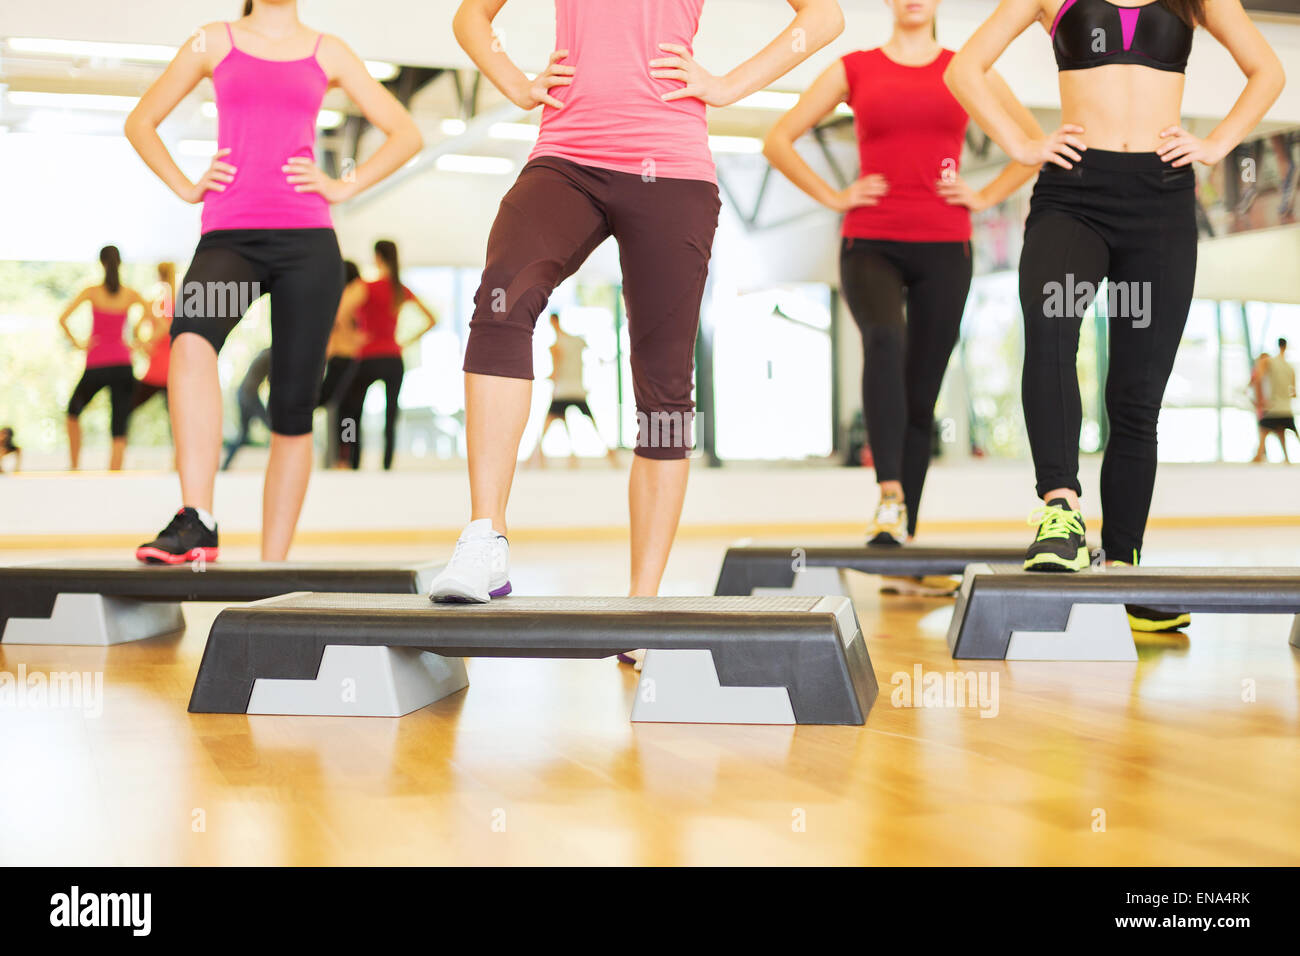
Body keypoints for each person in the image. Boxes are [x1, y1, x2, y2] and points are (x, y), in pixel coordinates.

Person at [427, 0, 846, 604]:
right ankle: (484, 536)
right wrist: (517, 84)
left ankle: (642, 603)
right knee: (502, 300)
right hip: (565, 158)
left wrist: (727, 85)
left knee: (666, 385)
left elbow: (824, 17)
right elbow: (471, 18)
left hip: (672, 167)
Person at [946, 0, 1284, 632]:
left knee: (1136, 393)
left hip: (1160, 201)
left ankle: (1125, 567)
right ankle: (1060, 512)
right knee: (1049, 332)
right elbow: (966, 68)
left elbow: (1267, 70)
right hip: (1073, 192)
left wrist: (1215, 144)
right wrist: (1023, 142)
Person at [125, 0, 422, 563]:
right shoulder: (213, 40)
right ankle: (197, 522)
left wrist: (343, 183)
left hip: (307, 245)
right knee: (190, 339)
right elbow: (141, 121)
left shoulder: (327, 50)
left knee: (292, 406)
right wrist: (188, 186)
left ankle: (272, 567)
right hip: (231, 238)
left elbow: (404, 133)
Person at [763, 0, 1042, 546]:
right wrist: (836, 196)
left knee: (922, 395)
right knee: (884, 341)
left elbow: (1032, 145)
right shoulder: (855, 67)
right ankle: (889, 495)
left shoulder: (967, 69)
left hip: (945, 246)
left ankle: (900, 533)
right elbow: (778, 139)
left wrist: (984, 195)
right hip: (871, 241)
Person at [336, 240, 437, 470]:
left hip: (369, 358)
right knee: (390, 415)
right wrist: (404, 341)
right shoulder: (401, 289)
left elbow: (340, 311)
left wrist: (354, 337)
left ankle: (352, 461)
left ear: (377, 257)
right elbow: (432, 319)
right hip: (393, 359)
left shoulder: (367, 286)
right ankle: (387, 465)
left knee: (351, 412)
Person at [58, 245, 146, 471]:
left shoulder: (92, 292)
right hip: (122, 365)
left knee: (73, 413)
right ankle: (115, 471)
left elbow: (62, 318)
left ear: (101, 263)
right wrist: (138, 343)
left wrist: (79, 343)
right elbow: (161, 324)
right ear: (120, 263)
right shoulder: (130, 294)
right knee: (119, 422)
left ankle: (74, 466)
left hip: (98, 364)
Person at [529, 312, 619, 467]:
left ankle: (538, 458)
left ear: (552, 323)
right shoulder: (577, 341)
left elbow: (555, 372)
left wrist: (546, 377)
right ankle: (606, 456)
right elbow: (595, 355)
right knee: (591, 423)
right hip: (578, 390)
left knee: (547, 425)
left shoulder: (556, 346)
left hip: (562, 391)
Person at [316, 259, 364, 466]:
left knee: (345, 413)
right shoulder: (352, 296)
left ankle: (344, 458)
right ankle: (347, 458)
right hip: (344, 359)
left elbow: (335, 323)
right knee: (348, 412)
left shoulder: (352, 295)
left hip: (346, 360)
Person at [129, 262, 177, 418]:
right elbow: (138, 330)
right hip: (164, 370)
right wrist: (145, 344)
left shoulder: (159, 302)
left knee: (127, 409)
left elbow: (138, 329)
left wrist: (145, 343)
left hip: (166, 370)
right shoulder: (171, 303)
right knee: (179, 420)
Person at [221, 348, 273, 471]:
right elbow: (272, 382)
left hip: (243, 394)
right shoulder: (271, 355)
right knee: (274, 427)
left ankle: (225, 465)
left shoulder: (265, 352)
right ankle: (281, 462)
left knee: (243, 436)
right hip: (249, 395)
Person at [1252, 337, 1297, 462]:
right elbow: (1293, 392)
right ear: (1286, 346)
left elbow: (1257, 379)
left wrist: (1260, 399)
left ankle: (1258, 457)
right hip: (1286, 408)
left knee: (1264, 431)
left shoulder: (1269, 362)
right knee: (1282, 431)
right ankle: (1286, 458)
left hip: (1273, 407)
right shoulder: (1290, 367)